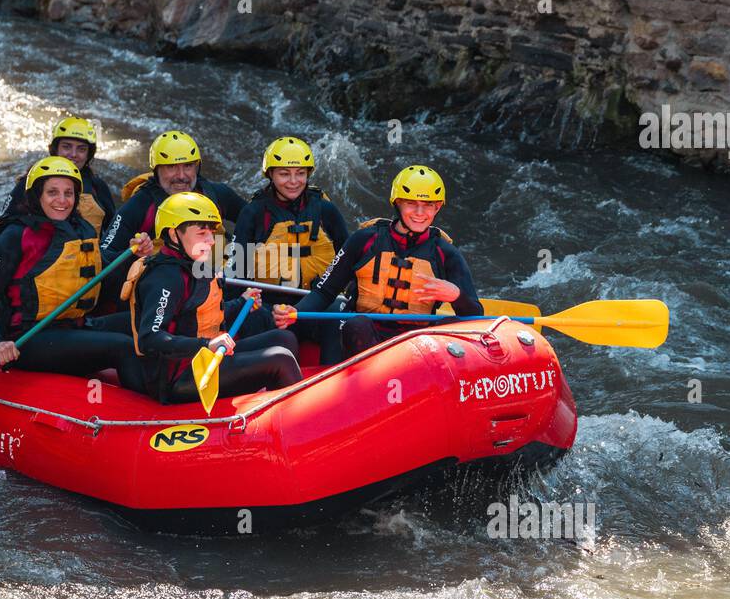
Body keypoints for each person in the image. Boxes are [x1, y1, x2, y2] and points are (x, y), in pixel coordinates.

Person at [274, 165, 482, 359]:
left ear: (437, 208)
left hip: (414, 345)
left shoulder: (445, 253)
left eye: (428, 206)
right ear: (397, 203)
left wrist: (456, 295)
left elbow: (475, 314)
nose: (420, 213)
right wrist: (296, 313)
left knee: (450, 325)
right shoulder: (365, 240)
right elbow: (325, 291)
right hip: (365, 336)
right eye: (411, 204)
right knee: (356, 325)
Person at [0, 156, 153, 377]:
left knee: (150, 320)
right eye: (52, 192)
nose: (62, 200)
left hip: (74, 325)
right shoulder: (14, 235)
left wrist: (133, 253)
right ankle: (151, 407)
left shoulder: (80, 229)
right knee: (123, 346)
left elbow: (100, 269)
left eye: (68, 193)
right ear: (36, 194)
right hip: (29, 337)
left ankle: (177, 382)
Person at [122, 192, 302, 404]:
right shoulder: (165, 278)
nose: (210, 240)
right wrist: (207, 344)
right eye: (201, 233)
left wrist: (242, 303)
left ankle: (273, 406)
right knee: (280, 360)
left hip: (205, 359)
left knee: (284, 339)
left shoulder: (191, 264)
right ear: (173, 235)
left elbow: (198, 314)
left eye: (211, 232)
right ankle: (299, 424)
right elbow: (149, 339)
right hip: (178, 378)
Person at [227, 136, 350, 360]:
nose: (293, 181)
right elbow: (236, 275)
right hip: (271, 309)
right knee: (253, 317)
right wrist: (262, 307)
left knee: (340, 308)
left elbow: (349, 263)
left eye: (300, 173)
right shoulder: (254, 214)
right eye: (284, 174)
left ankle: (334, 376)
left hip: (314, 304)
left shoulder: (325, 210)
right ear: (270, 175)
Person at [0, 117, 117, 267]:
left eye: (81, 149)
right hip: (40, 262)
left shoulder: (98, 187)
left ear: (89, 154)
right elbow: (5, 222)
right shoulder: (32, 181)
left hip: (84, 261)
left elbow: (112, 232)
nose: (73, 154)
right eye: (67, 146)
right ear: (55, 148)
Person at [99, 130, 246, 269]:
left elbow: (255, 220)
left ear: (197, 168)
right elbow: (104, 255)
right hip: (165, 284)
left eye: (188, 166)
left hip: (215, 279)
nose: (181, 176)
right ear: (156, 171)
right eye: (171, 167)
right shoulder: (140, 205)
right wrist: (133, 255)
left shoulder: (216, 194)